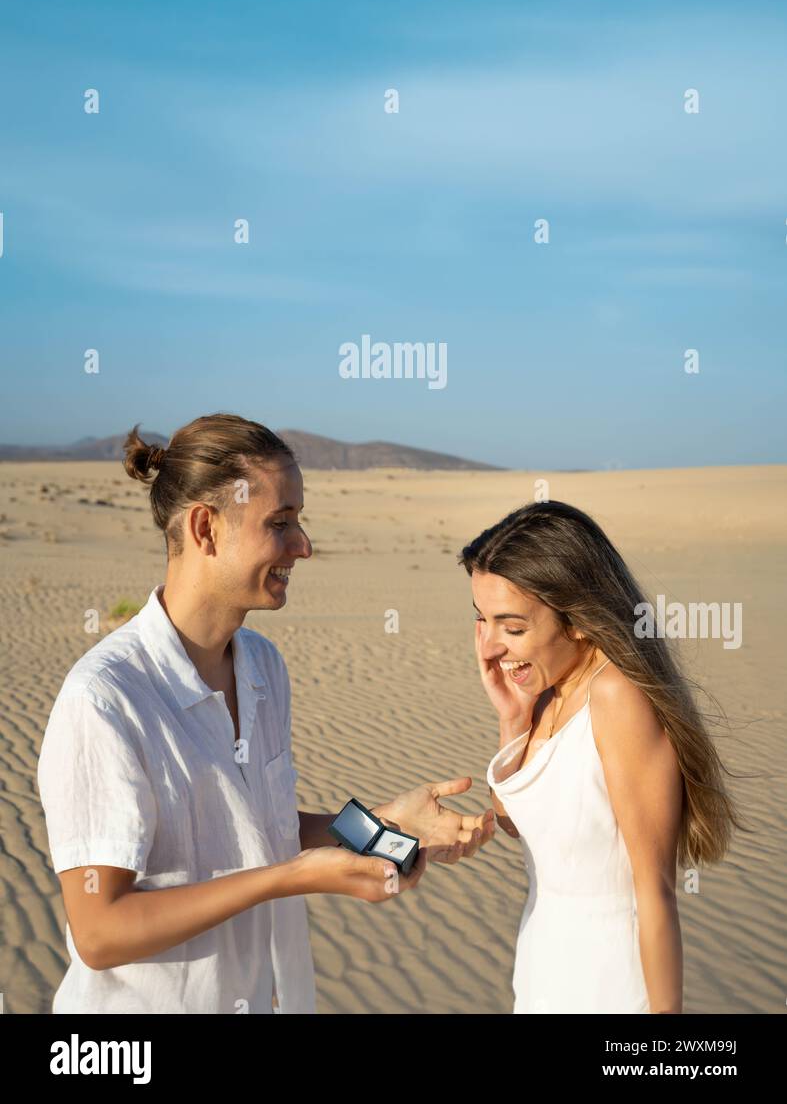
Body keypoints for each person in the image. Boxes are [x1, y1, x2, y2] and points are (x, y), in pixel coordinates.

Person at [37, 413, 495, 1014]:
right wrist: (292, 877)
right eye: (280, 524)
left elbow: (256, 827)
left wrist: (384, 823)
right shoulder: (105, 699)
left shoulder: (263, 666)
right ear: (206, 528)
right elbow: (99, 932)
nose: (303, 546)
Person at [461, 500, 745, 1015]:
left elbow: (654, 889)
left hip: (610, 987)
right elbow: (514, 824)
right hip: (541, 973)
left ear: (580, 620)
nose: (492, 647)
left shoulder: (616, 697)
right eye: (483, 620)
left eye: (513, 626)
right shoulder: (546, 691)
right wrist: (512, 720)